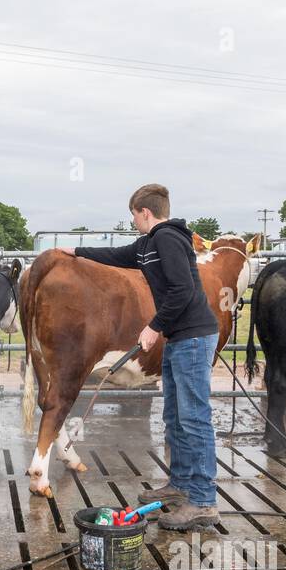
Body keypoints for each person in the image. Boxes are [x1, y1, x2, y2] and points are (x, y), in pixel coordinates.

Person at [58, 184, 220, 531]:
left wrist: (153, 327)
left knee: (194, 418)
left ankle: (203, 500)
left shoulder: (169, 238)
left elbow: (183, 290)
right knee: (175, 415)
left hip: (194, 336)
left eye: (133, 214)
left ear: (145, 212)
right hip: (179, 337)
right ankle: (180, 486)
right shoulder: (148, 244)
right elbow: (117, 256)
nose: (132, 221)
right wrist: (75, 251)